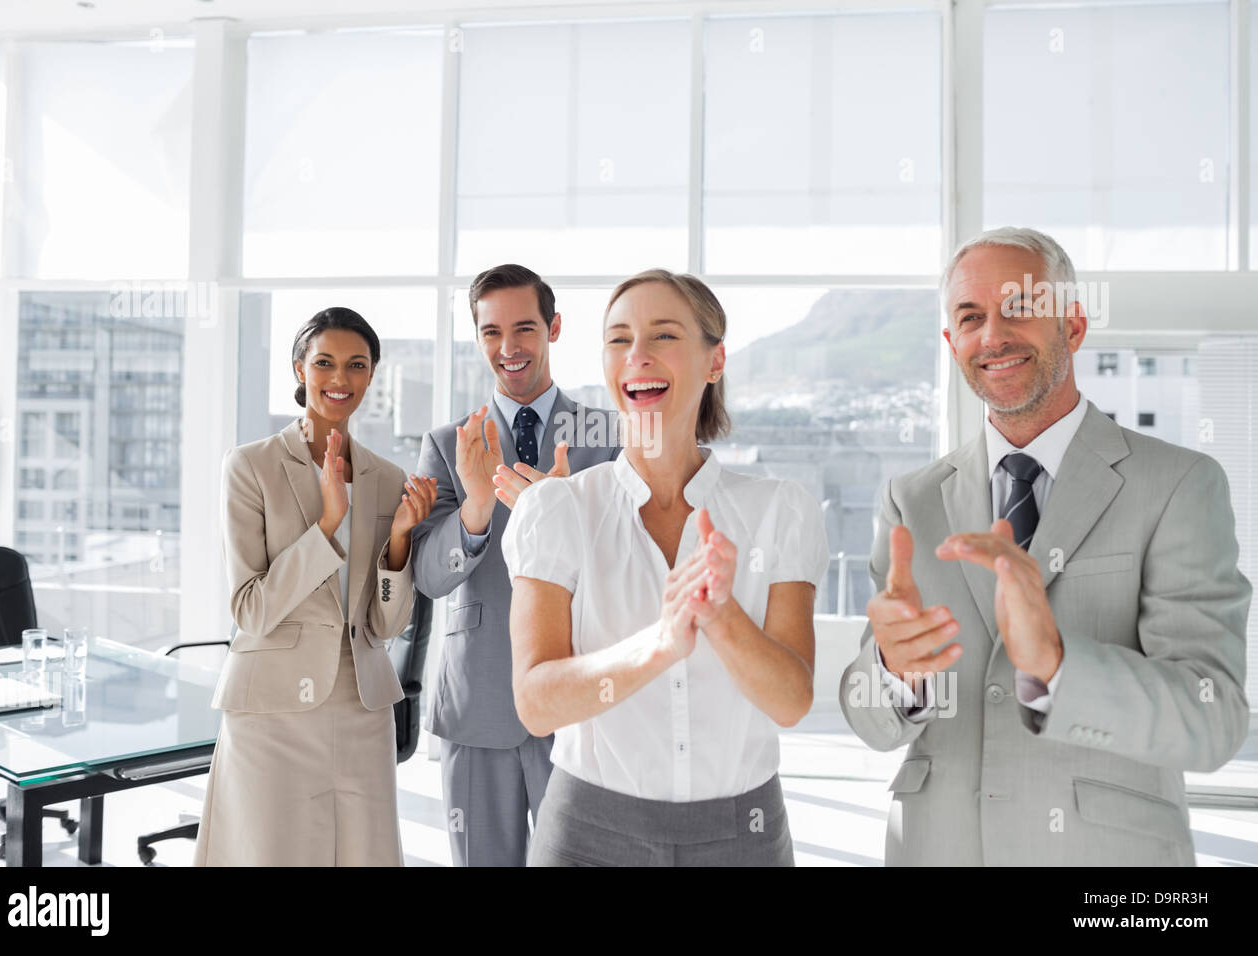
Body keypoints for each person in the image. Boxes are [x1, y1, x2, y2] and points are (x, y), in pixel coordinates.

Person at [839, 227, 1251, 866]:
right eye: (970, 318)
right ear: (953, 344)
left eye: (1021, 307)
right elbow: (871, 725)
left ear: (1075, 325)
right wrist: (895, 676)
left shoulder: (1178, 484)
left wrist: (1057, 665)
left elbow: (1213, 718)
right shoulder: (911, 501)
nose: (993, 335)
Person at [502, 269, 828, 866]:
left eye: (664, 335)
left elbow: (790, 701)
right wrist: (659, 644)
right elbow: (536, 703)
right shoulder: (557, 510)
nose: (638, 356)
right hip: (587, 836)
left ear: (715, 360)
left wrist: (722, 619)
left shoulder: (780, 510)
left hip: (743, 836)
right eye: (619, 338)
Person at [195, 306, 437, 866]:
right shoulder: (249, 466)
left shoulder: (388, 477)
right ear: (300, 368)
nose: (340, 378)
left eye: (357, 365)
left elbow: (388, 624)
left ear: (371, 377)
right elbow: (251, 609)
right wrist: (327, 524)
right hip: (272, 711)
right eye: (324, 362)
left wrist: (399, 542)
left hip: (361, 709)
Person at [411, 264, 620, 867]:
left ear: (554, 328)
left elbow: (633, 560)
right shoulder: (448, 444)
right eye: (491, 332)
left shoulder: (607, 437)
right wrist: (476, 510)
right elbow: (428, 576)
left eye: (525, 328)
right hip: (480, 704)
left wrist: (561, 518)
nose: (509, 348)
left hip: (577, 699)